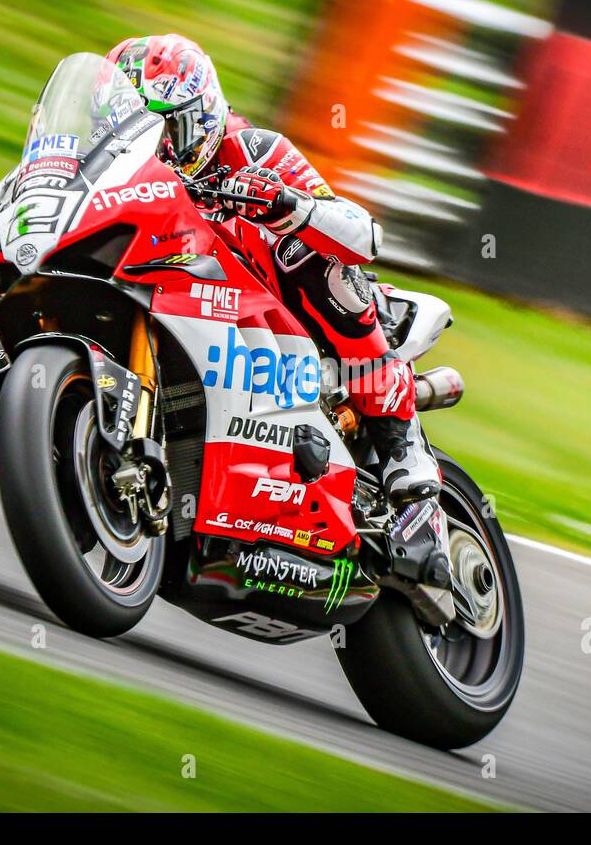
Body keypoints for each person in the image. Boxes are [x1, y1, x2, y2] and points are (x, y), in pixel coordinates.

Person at [106, 34, 442, 508]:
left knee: (307, 255)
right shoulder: (131, 182)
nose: (152, 149)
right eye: (132, 133)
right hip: (188, 309)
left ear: (200, 118)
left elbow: (362, 236)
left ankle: (398, 437)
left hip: (286, 323)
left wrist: (287, 205)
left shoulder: (253, 149)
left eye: (163, 132)